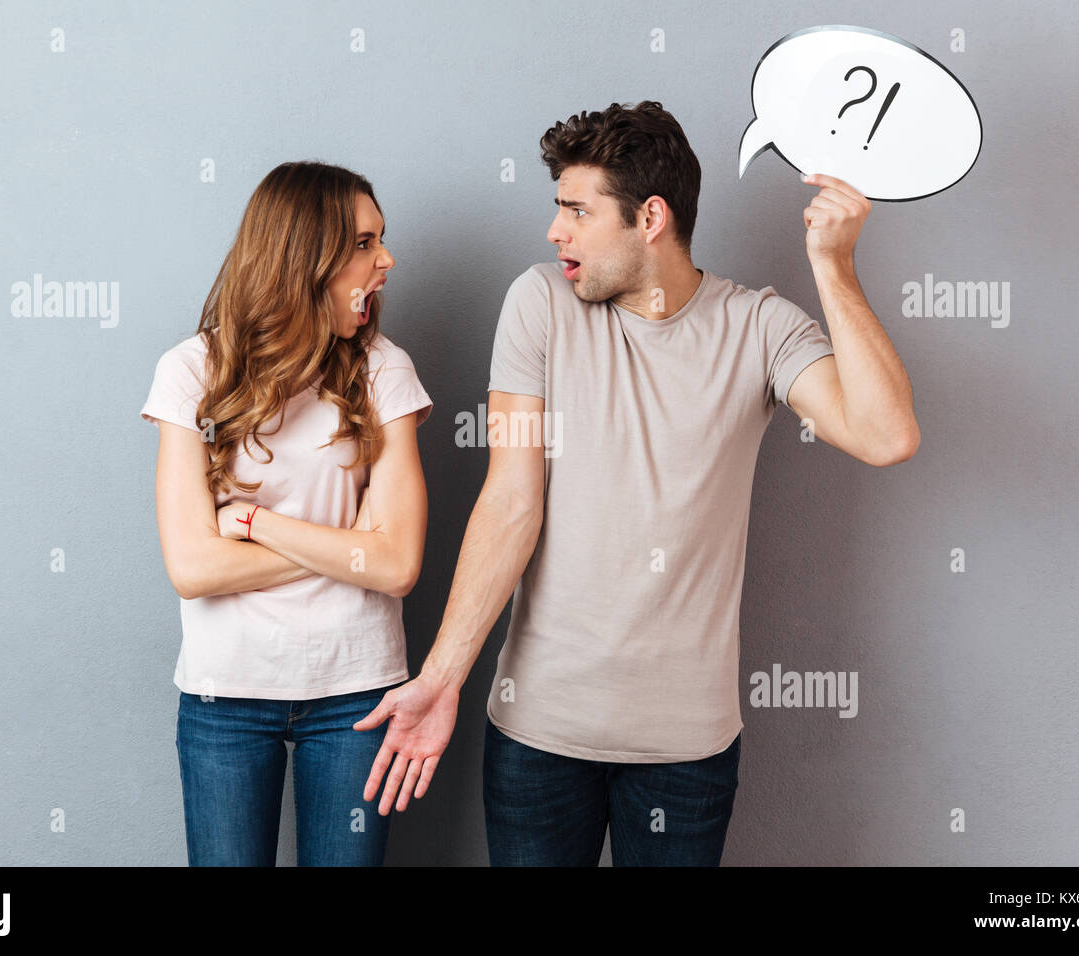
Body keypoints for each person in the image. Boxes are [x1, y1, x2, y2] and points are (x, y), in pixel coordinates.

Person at [354, 101, 919, 866]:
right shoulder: (540, 304)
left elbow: (886, 437)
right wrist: (443, 678)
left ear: (650, 217)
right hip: (537, 739)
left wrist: (834, 266)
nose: (556, 231)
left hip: (686, 751)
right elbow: (513, 498)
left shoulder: (760, 327)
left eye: (577, 211)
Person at [139, 161, 432, 866]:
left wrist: (259, 524)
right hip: (225, 697)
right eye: (364, 243)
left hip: (356, 692)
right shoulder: (190, 372)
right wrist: (347, 544)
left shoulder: (383, 371)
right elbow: (193, 567)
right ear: (304, 256)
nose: (386, 259)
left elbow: (396, 566)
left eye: (381, 239)